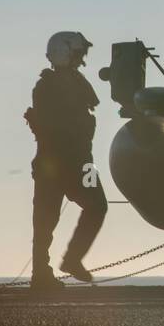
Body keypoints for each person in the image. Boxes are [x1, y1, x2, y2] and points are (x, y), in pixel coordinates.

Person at [24, 31, 108, 289]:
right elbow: (62, 125)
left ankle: (44, 272)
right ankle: (64, 263)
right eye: (79, 52)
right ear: (67, 52)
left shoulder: (58, 83)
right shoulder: (58, 85)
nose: (82, 58)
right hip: (72, 163)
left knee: (46, 221)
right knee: (91, 208)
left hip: (59, 163)